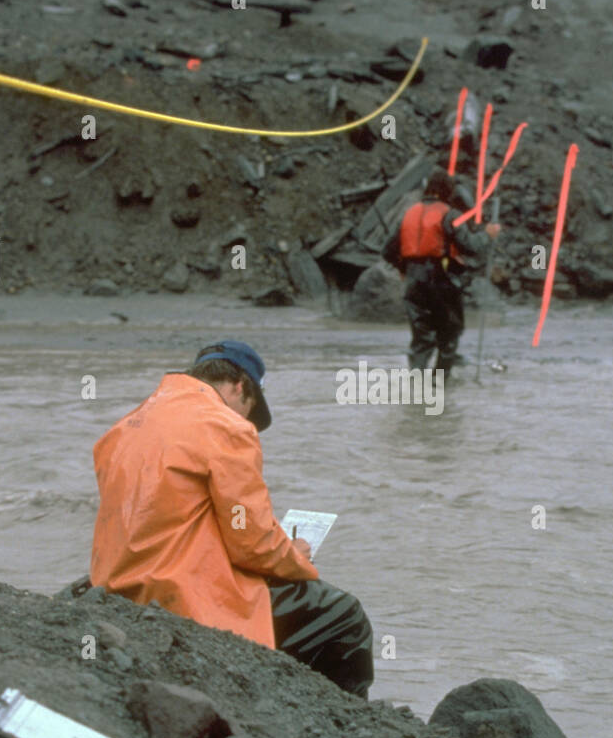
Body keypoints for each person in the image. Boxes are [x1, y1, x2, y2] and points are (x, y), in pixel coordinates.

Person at [89, 341, 374, 697]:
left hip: (118, 586)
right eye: (249, 410)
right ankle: (342, 717)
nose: (246, 421)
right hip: (181, 598)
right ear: (241, 386)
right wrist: (296, 554)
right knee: (344, 614)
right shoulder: (224, 426)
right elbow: (250, 542)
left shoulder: (125, 427)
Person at [383, 168, 501, 380]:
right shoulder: (450, 215)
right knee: (449, 333)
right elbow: (471, 245)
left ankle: (416, 386)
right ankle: (440, 384)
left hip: (413, 281)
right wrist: (488, 234)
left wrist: (403, 269)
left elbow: (388, 250)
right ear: (447, 191)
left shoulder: (408, 214)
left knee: (421, 337)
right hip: (440, 280)